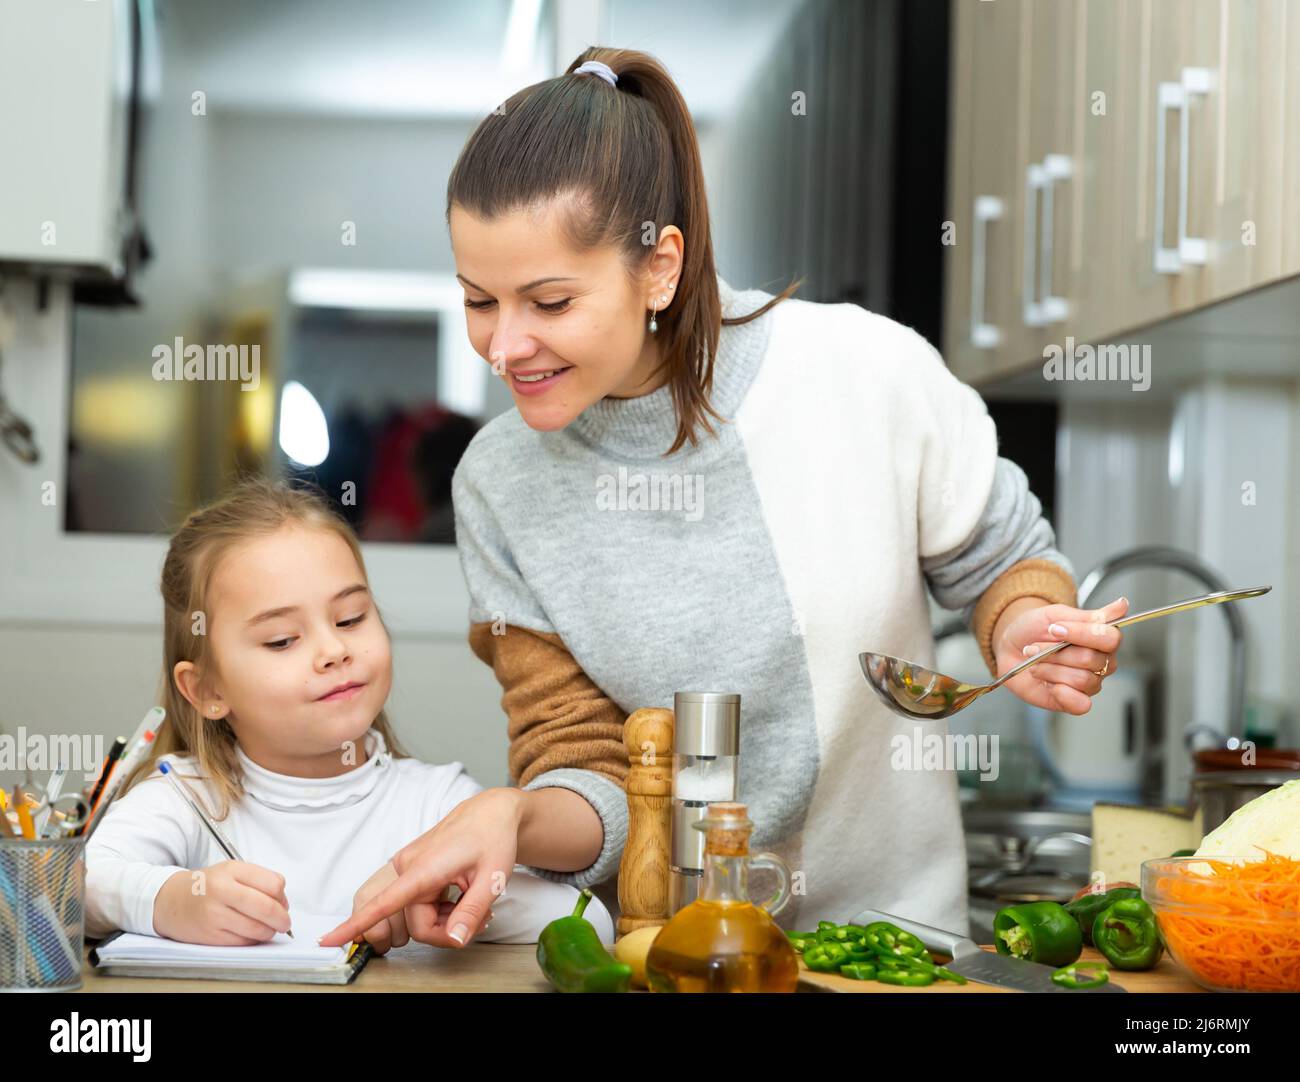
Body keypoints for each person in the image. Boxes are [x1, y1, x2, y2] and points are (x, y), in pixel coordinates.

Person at [320, 47, 1125, 948]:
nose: (505, 346)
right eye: (478, 301)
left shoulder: (866, 372)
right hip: (678, 958)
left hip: (896, 953)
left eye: (548, 302)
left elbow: (1006, 562)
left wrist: (1025, 628)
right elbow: (588, 764)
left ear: (659, 267)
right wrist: (510, 816)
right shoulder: (499, 482)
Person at [85, 476, 613, 949]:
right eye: (282, 639)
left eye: (350, 618)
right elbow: (73, 883)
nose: (333, 651)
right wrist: (174, 900)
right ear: (205, 690)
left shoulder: (439, 803)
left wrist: (442, 894)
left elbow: (582, 918)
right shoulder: (183, 797)